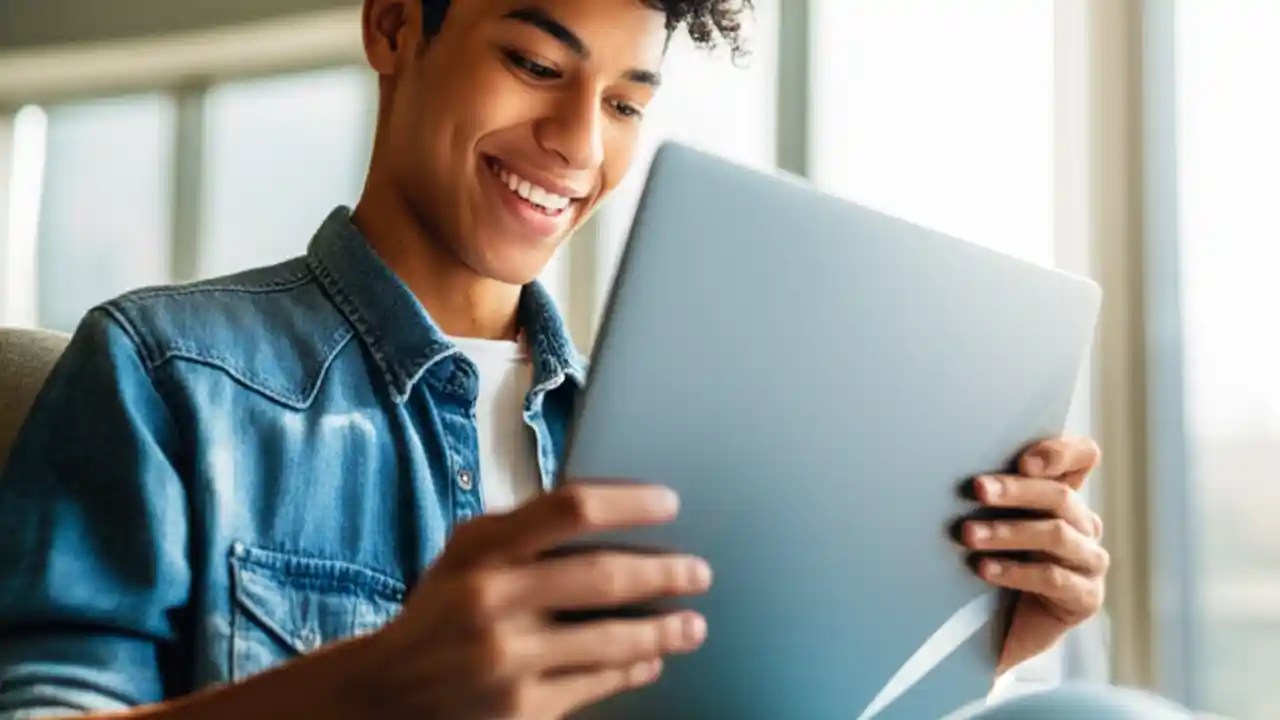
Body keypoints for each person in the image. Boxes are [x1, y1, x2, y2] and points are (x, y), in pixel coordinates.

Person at [0, 0, 1150, 717]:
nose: (578, 145)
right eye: (536, 65)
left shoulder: (657, 436)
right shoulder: (170, 375)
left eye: (625, 103)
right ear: (394, 25)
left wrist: (966, 652)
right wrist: (365, 694)